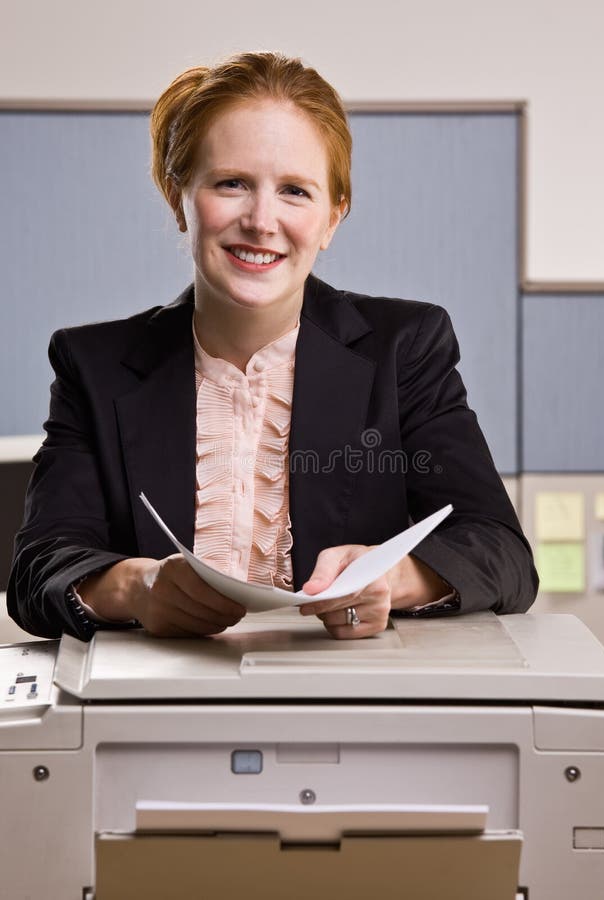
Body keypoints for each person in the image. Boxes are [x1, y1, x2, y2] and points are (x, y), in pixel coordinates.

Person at [7, 52, 538, 643]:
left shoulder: (405, 348)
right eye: (231, 183)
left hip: (347, 683)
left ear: (332, 217)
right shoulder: (93, 366)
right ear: (178, 196)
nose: (262, 221)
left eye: (295, 191)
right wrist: (138, 587)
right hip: (159, 689)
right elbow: (37, 573)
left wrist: (392, 578)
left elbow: (503, 554)